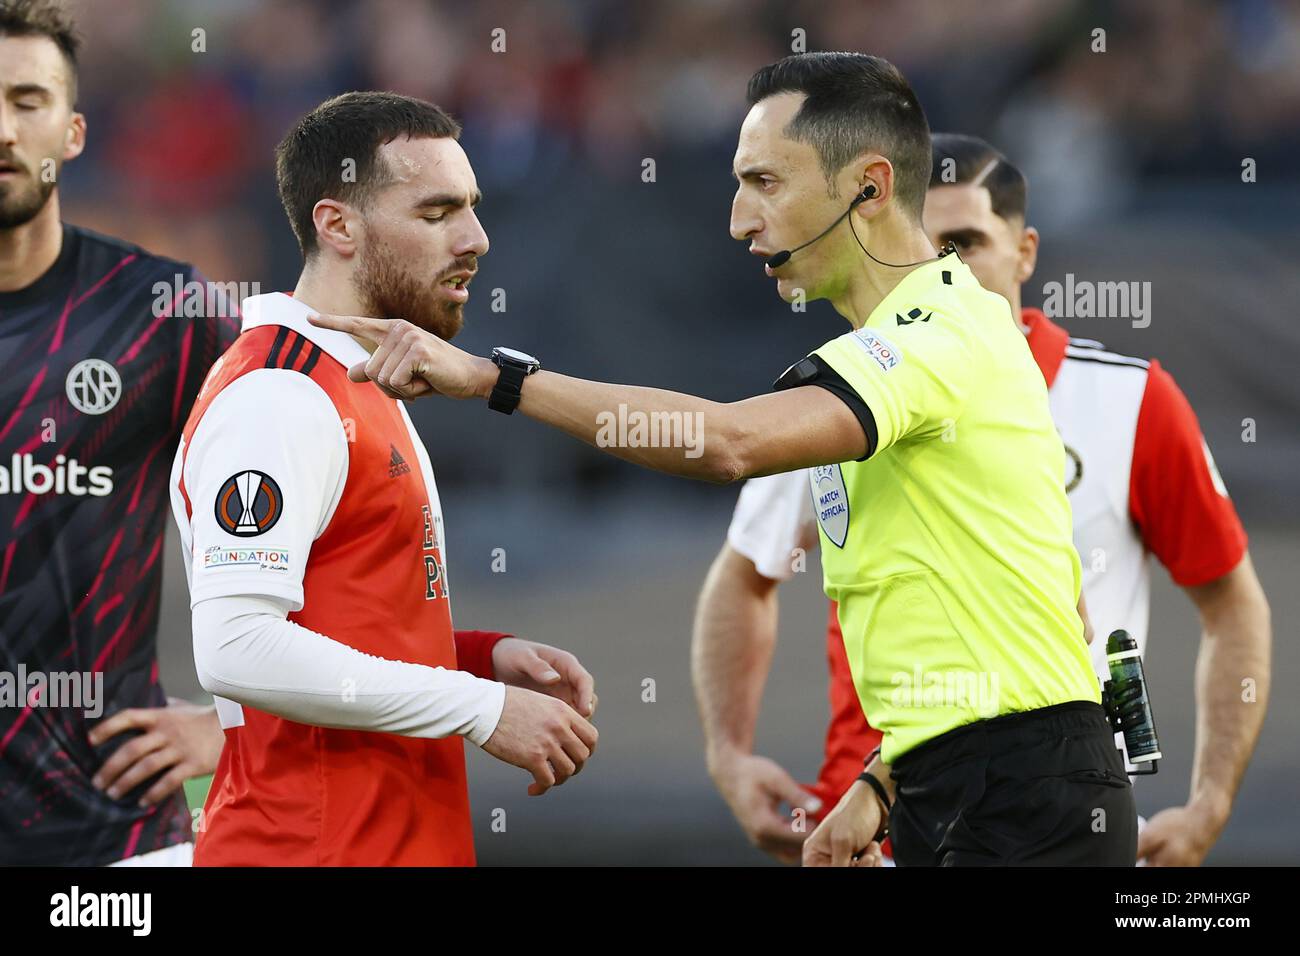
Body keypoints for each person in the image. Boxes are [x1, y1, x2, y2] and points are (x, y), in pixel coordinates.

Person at [310, 53, 1138, 866]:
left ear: (870, 187)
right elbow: (1010, 623)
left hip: (1029, 794)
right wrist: (887, 786)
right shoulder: (897, 354)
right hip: (958, 778)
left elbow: (724, 442)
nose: (741, 220)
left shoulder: (937, 335)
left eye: (767, 183)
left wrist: (497, 380)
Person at [693, 133, 1272, 866]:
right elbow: (745, 574)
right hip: (859, 826)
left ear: (1026, 251)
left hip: (1043, 817)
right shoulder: (842, 392)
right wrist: (727, 753)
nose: (939, 266)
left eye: (964, 243)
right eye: (925, 243)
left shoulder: (1129, 401)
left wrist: (1210, 801)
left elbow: (1232, 603)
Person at [169, 91, 598, 866]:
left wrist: (474, 655)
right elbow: (235, 647)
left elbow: (338, 625)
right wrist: (477, 706)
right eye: (438, 214)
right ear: (337, 226)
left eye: (472, 208)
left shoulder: (359, 379)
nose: (477, 238)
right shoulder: (277, 394)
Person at [0, 0, 235, 866]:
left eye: (28, 101)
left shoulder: (162, 314)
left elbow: (341, 483)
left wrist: (239, 726)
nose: (3, 128)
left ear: (73, 131)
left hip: (114, 845)